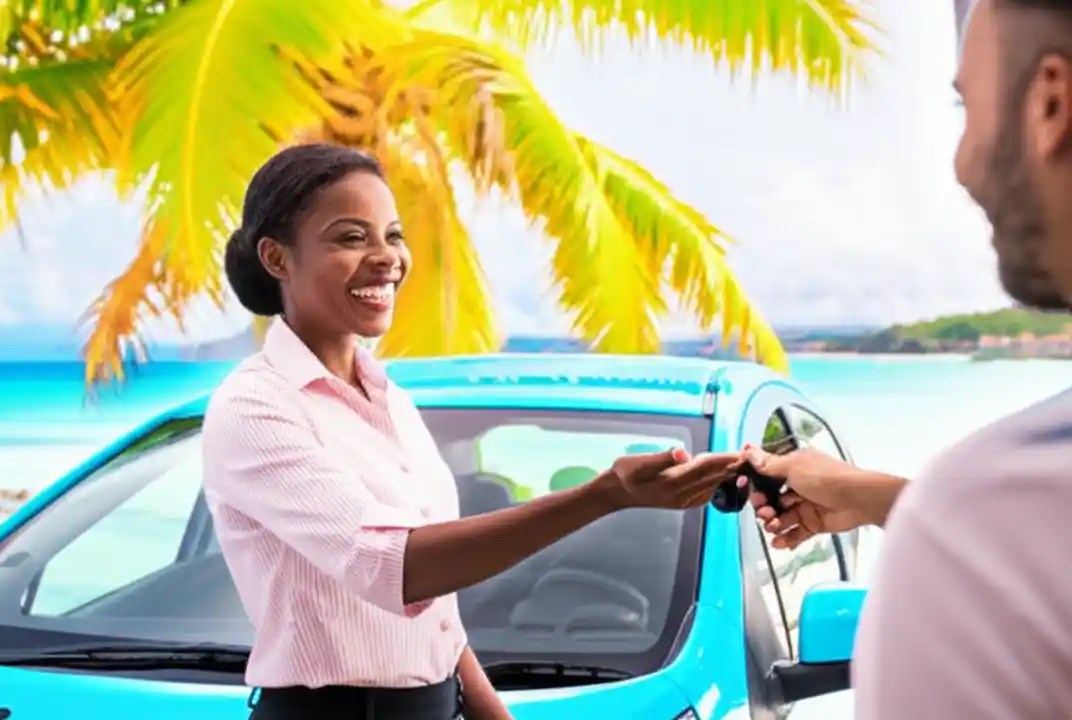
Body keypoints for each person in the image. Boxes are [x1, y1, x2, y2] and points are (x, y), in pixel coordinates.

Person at [201, 142, 740, 720]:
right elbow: (397, 568)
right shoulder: (254, 406)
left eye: (393, 235)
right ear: (278, 259)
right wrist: (603, 496)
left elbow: (438, 620)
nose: (386, 258)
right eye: (352, 238)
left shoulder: (389, 400)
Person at [742, 1, 1072, 717]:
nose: (962, 167)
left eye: (967, 106)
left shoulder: (971, 542)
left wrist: (939, 520)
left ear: (1053, 104)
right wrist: (884, 498)